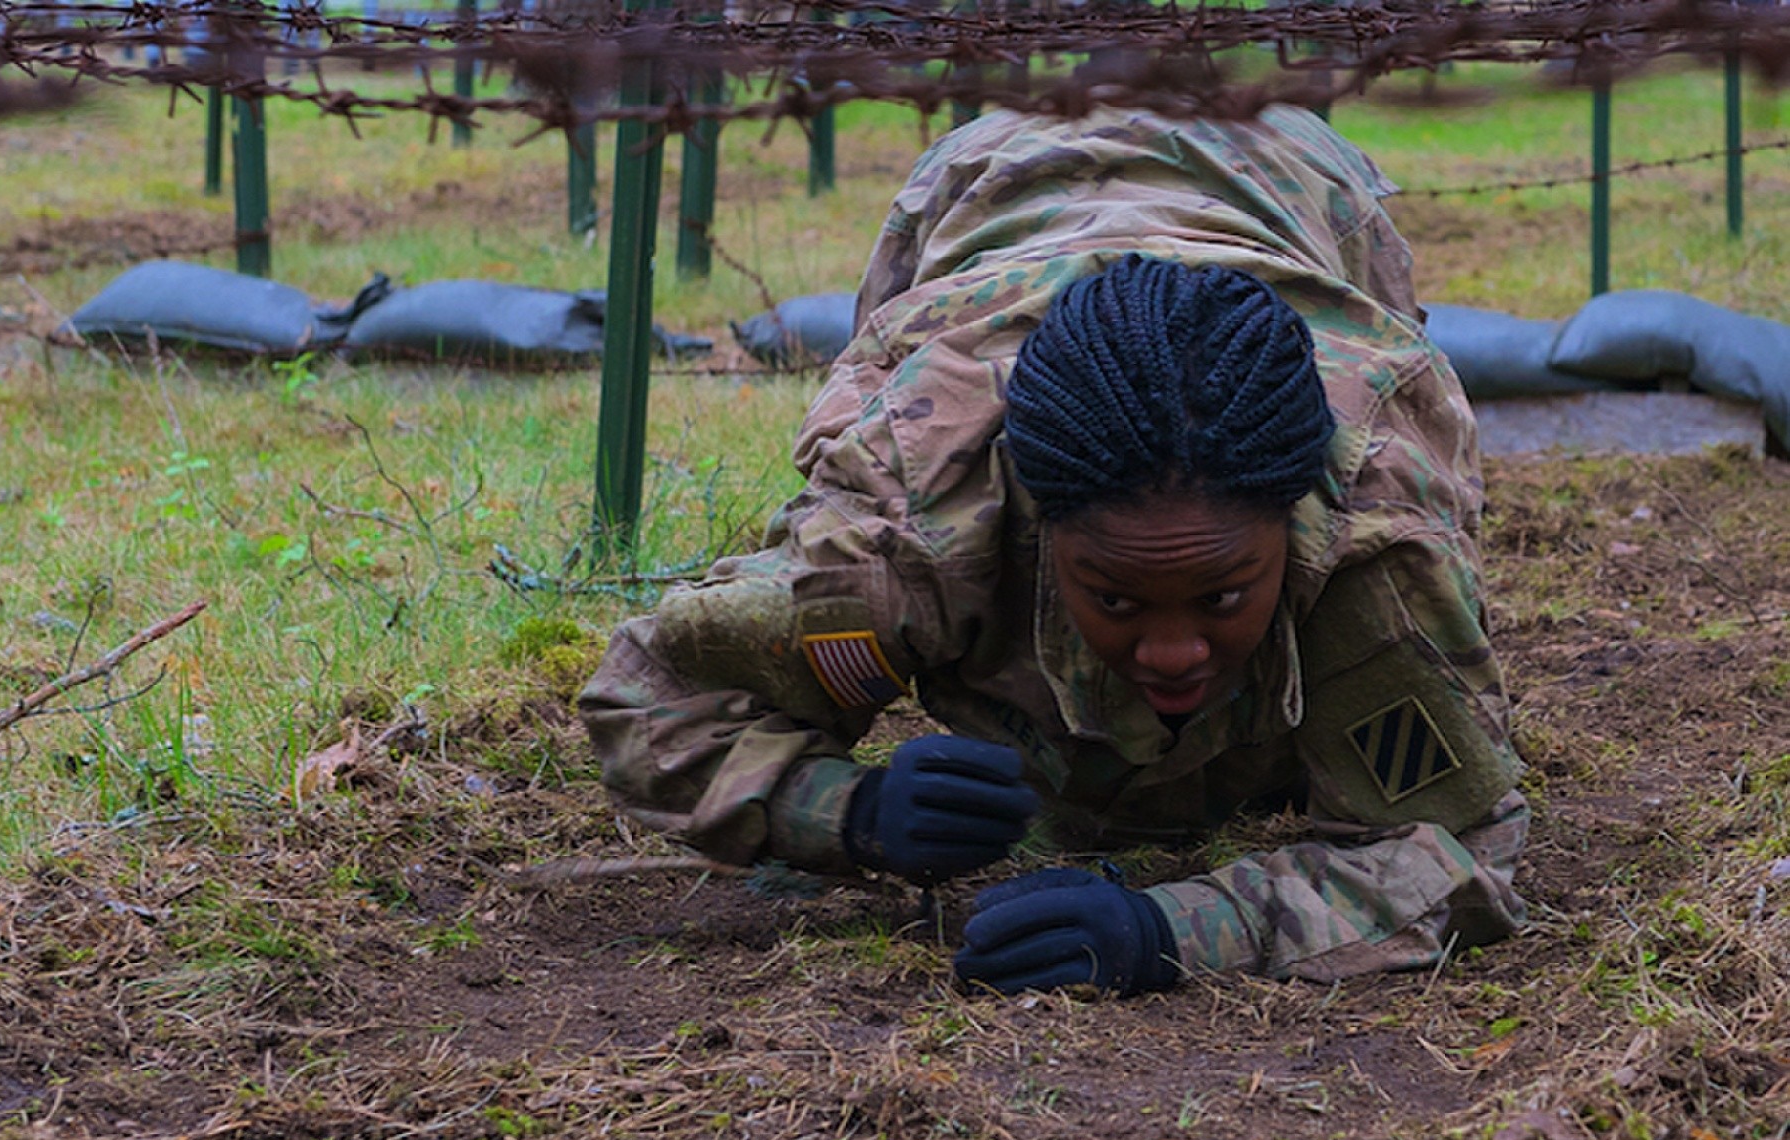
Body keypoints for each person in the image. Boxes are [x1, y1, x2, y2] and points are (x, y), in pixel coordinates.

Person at [579, 103, 1528, 996]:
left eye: (1221, 597)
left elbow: (1452, 853)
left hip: (1293, 175)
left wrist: (1170, 931)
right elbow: (650, 704)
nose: (1169, 651)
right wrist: (847, 811)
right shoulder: (912, 528)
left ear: (1295, 528)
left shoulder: (1373, 527)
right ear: (1033, 524)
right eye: (1115, 598)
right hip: (992, 181)